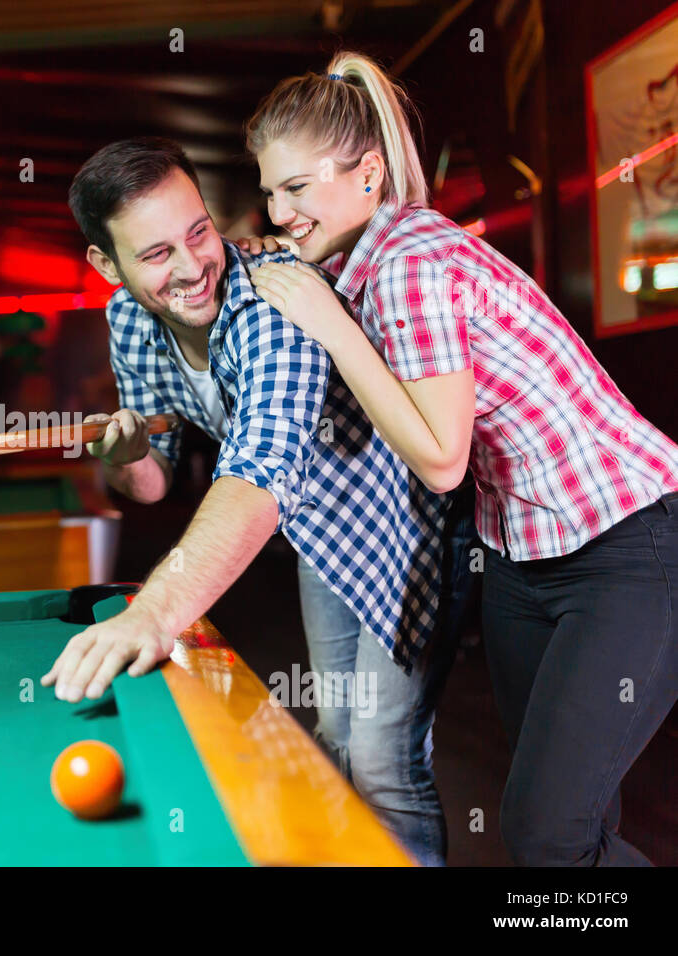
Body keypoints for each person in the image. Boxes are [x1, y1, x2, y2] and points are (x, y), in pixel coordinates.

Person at [242, 51, 678, 865]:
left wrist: (331, 328)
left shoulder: (408, 260)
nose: (278, 209)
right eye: (269, 190)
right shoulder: (365, 260)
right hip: (520, 557)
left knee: (546, 839)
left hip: (629, 544)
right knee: (576, 828)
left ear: (367, 172)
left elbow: (441, 459)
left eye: (296, 188)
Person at [45, 137, 466, 864]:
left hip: (410, 527)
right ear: (105, 265)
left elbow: (260, 474)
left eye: (198, 232)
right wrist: (127, 455)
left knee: (382, 761)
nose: (191, 266)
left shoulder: (274, 304)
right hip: (323, 536)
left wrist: (154, 610)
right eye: (154, 255)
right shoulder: (128, 322)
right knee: (338, 738)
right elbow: (155, 483)